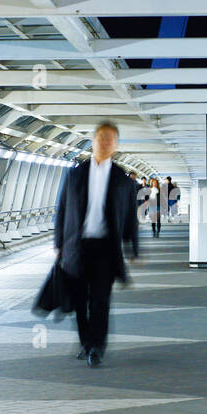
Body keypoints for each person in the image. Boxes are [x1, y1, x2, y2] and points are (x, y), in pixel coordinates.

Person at [53, 120, 140, 369]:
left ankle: (97, 347)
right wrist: (59, 242)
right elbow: (62, 209)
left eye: (110, 138)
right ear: (93, 140)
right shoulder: (75, 174)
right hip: (77, 247)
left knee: (101, 299)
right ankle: (86, 342)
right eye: (101, 137)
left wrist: (133, 247)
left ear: (116, 145)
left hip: (106, 249)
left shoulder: (122, 179)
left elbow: (130, 216)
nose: (105, 141)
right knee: (80, 299)